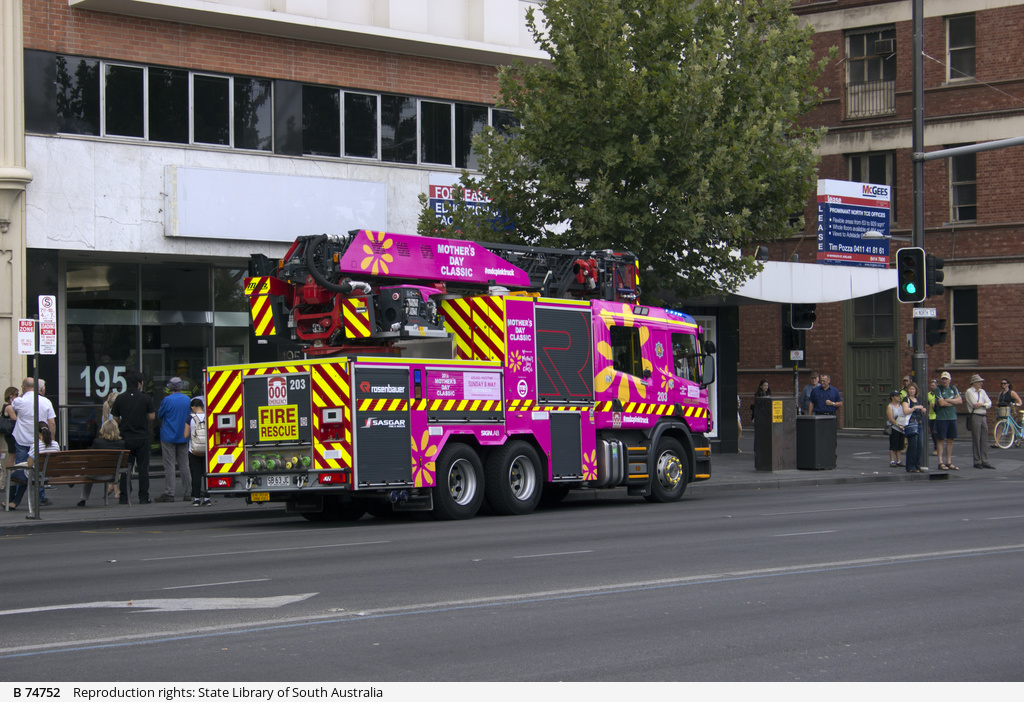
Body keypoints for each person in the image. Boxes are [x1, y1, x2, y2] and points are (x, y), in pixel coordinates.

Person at [111, 370, 156, 504]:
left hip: (126, 437)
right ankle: (143, 496)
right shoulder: (146, 397)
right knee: (143, 469)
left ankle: (124, 497)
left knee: (126, 469)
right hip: (142, 437)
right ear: (139, 383)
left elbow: (115, 417)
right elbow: (152, 416)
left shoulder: (120, 398)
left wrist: (123, 422)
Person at [11, 378, 57, 505]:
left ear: (24, 387)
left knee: (20, 468)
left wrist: (22, 394)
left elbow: (13, 405)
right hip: (40, 441)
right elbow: (51, 422)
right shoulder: (46, 401)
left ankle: (14, 498)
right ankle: (40, 497)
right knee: (40, 467)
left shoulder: (19, 401)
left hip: (22, 439)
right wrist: (50, 439)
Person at [4, 422, 60, 511]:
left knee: (14, 474)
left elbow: (29, 465)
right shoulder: (55, 444)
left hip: (34, 476)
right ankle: (14, 503)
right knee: (24, 476)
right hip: (46, 476)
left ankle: (10, 501)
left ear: (37, 433)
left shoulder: (36, 445)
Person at [156, 377, 192, 502]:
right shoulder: (187, 400)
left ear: (170, 387)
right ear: (181, 387)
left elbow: (160, 415)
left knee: (169, 466)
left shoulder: (166, 400)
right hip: (183, 436)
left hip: (168, 436)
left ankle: (170, 493)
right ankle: (188, 492)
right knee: (184, 465)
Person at [78, 419, 126, 507]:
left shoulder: (97, 442)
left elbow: (90, 459)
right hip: (112, 475)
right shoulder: (121, 443)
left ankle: (83, 499)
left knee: (88, 469)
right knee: (89, 469)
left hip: (95, 474)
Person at [933, 371, 962, 471]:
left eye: (946, 379)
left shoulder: (953, 388)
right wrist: (953, 402)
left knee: (951, 440)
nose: (944, 381)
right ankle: (940, 462)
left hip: (952, 417)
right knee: (941, 439)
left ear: (949, 379)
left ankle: (948, 461)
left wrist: (948, 400)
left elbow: (960, 401)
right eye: (943, 379)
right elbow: (941, 403)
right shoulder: (938, 389)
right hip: (942, 418)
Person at [185, 397, 211, 506]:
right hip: (207, 450)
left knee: (196, 474)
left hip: (194, 450)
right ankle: (207, 499)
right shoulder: (208, 416)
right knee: (206, 473)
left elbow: (186, 435)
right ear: (203, 406)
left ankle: (196, 499)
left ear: (192, 407)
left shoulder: (190, 418)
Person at [965, 374, 995, 470]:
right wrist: (984, 404)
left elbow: (989, 403)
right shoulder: (969, 392)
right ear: (974, 383)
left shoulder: (982, 391)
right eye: (979, 382)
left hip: (983, 416)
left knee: (984, 438)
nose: (981, 384)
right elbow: (974, 405)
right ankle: (977, 461)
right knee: (976, 438)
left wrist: (982, 404)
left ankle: (985, 460)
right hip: (975, 415)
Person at [902, 383, 927, 473]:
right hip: (912, 423)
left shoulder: (917, 399)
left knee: (920, 445)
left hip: (919, 423)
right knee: (913, 445)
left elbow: (921, 413)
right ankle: (910, 466)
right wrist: (915, 407)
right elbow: (905, 411)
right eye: (910, 389)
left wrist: (922, 411)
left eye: (913, 389)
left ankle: (917, 465)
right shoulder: (906, 400)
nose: (912, 391)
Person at [1, 386, 19, 495]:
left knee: (12, 455)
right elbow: (15, 419)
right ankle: (9, 475)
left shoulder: (5, 406)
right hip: (11, 434)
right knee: (12, 455)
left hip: (9, 434)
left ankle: (8, 475)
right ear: (11, 395)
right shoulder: (9, 407)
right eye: (16, 395)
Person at [885, 390, 905, 467]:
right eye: (896, 396)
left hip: (901, 428)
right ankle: (892, 460)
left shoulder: (901, 406)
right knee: (893, 445)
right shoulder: (890, 406)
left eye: (898, 396)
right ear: (892, 397)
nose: (898, 397)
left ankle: (899, 460)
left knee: (900, 445)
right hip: (894, 428)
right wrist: (898, 425)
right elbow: (891, 418)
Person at [926, 378, 940, 457]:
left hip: (937, 416)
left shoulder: (938, 394)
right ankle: (936, 448)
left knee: (935, 432)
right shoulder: (929, 394)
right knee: (932, 433)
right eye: (931, 385)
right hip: (931, 416)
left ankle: (937, 448)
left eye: (933, 385)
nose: (932, 387)